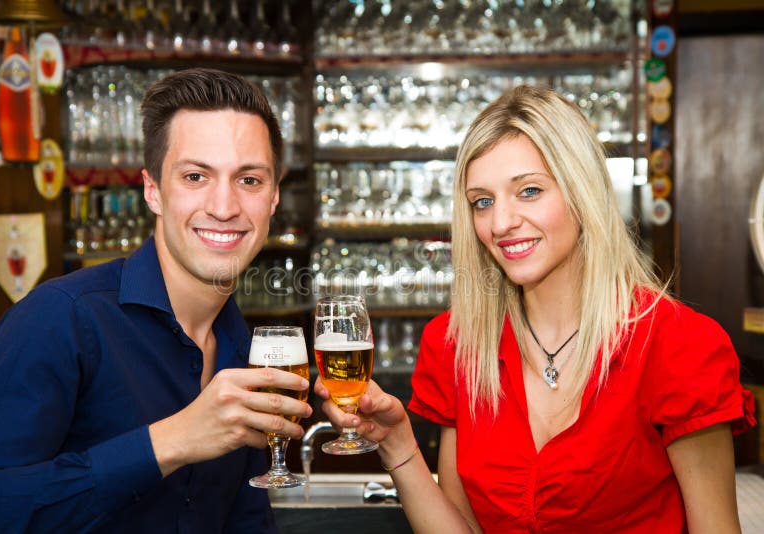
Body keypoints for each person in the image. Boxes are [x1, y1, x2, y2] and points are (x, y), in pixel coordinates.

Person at [316, 85, 756, 533]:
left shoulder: (678, 344)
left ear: (582, 191)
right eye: (482, 202)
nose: (501, 223)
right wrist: (396, 445)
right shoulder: (457, 343)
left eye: (529, 191)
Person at [0, 68, 311, 532]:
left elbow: (243, 518)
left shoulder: (243, 345)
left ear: (273, 199)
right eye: (195, 176)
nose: (225, 206)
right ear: (153, 191)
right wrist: (169, 443)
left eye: (249, 180)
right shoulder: (60, 318)